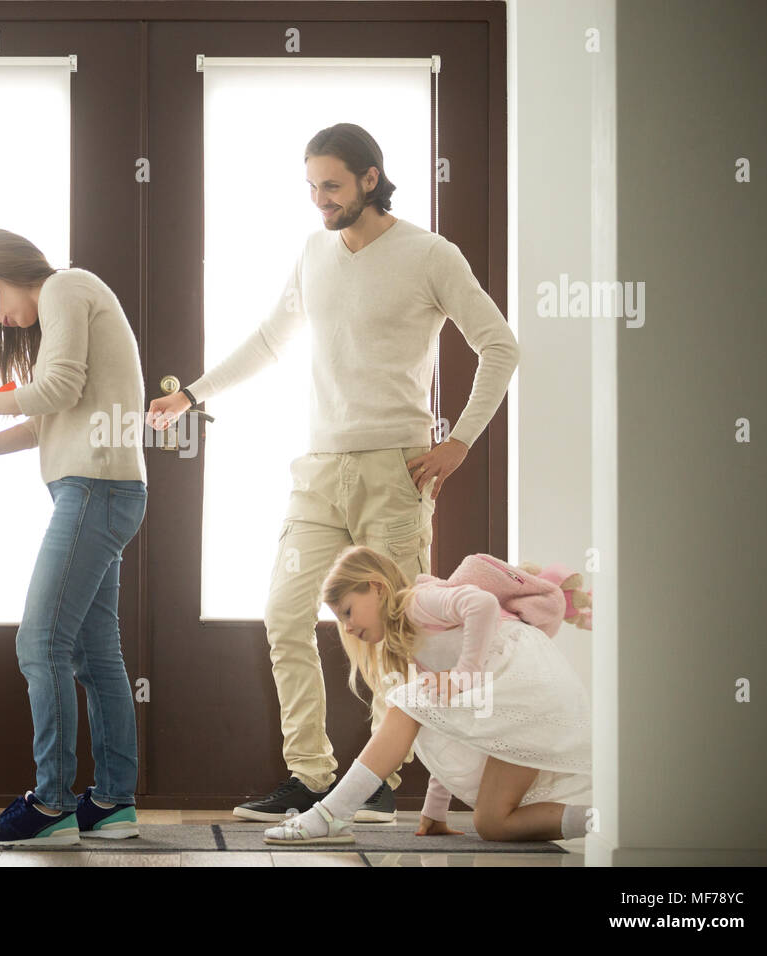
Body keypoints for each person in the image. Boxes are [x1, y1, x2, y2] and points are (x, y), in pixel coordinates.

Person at [148, 122, 520, 823]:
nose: (319, 200)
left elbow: (500, 345)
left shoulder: (430, 254)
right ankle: (311, 776)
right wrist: (191, 394)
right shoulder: (314, 253)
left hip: (394, 469)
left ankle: (380, 781)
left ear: (370, 179)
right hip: (318, 467)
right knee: (285, 612)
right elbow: (267, 340)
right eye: (312, 187)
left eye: (332, 186)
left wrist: (460, 441)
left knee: (397, 627)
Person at [0, 229, 148, 846]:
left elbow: (57, 391)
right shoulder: (63, 311)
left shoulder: (66, 287)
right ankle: (113, 803)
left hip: (94, 490)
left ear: (9, 270)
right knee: (95, 656)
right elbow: (47, 420)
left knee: (39, 642)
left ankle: (51, 807)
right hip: (102, 489)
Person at [264, 545, 593, 844]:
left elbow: (482, 604)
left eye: (347, 611)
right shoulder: (417, 648)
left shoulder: (417, 602)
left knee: (408, 703)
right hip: (526, 702)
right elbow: (447, 725)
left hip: (526, 686)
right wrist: (435, 811)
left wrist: (465, 673)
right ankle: (604, 821)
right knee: (494, 823)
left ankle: (331, 814)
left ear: (376, 587)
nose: (346, 627)